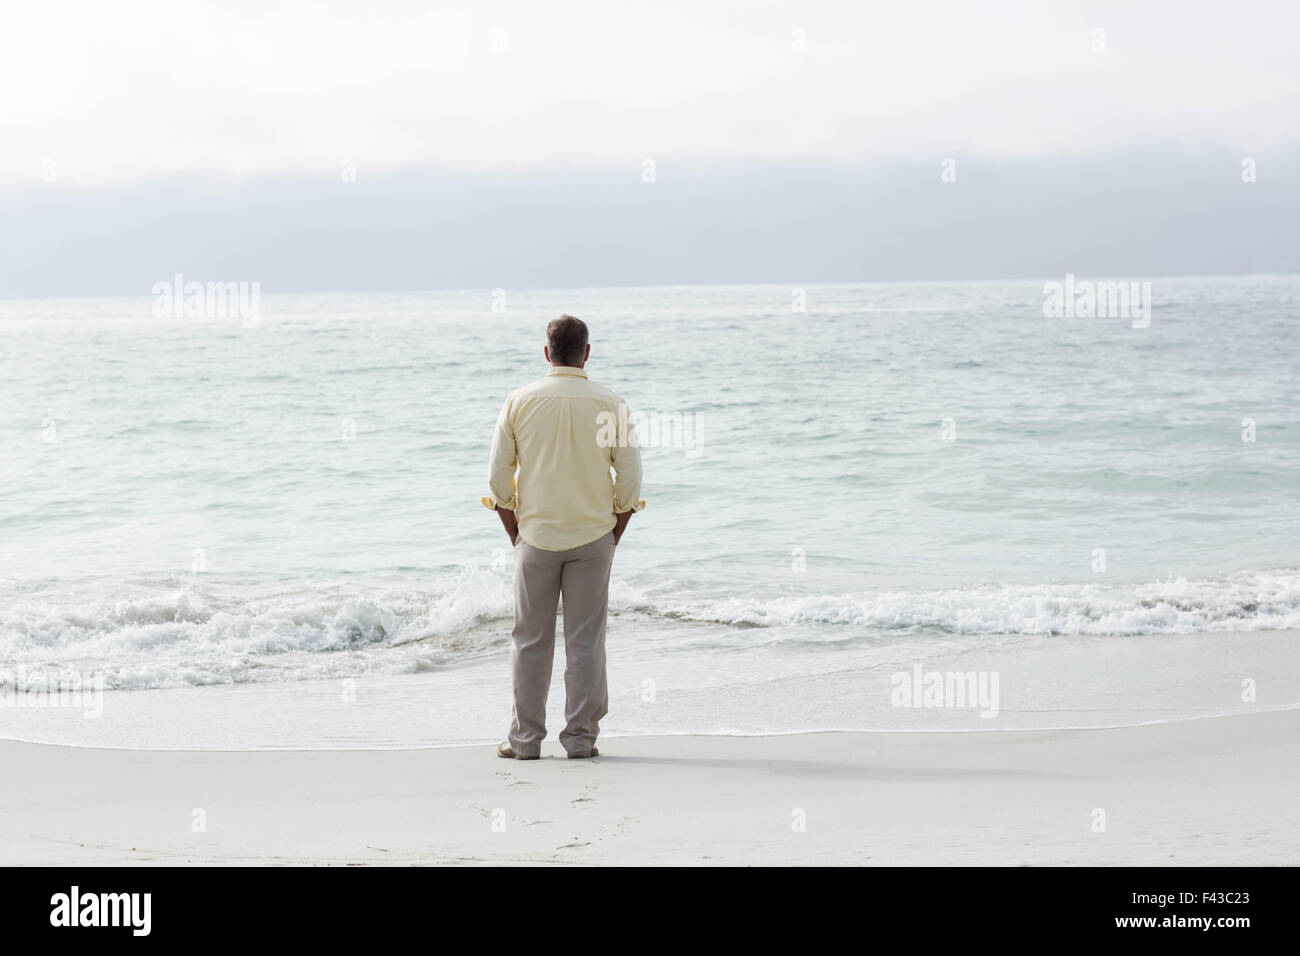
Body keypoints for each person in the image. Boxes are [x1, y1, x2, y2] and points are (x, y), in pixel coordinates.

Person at [482, 314, 644, 759]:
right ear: (586, 353)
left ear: (547, 353)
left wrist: (516, 533)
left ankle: (525, 740)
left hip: (535, 536)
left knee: (529, 640)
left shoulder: (518, 401)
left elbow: (498, 479)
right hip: (593, 536)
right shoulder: (612, 404)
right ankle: (579, 740)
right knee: (586, 641)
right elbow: (629, 480)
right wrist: (613, 533)